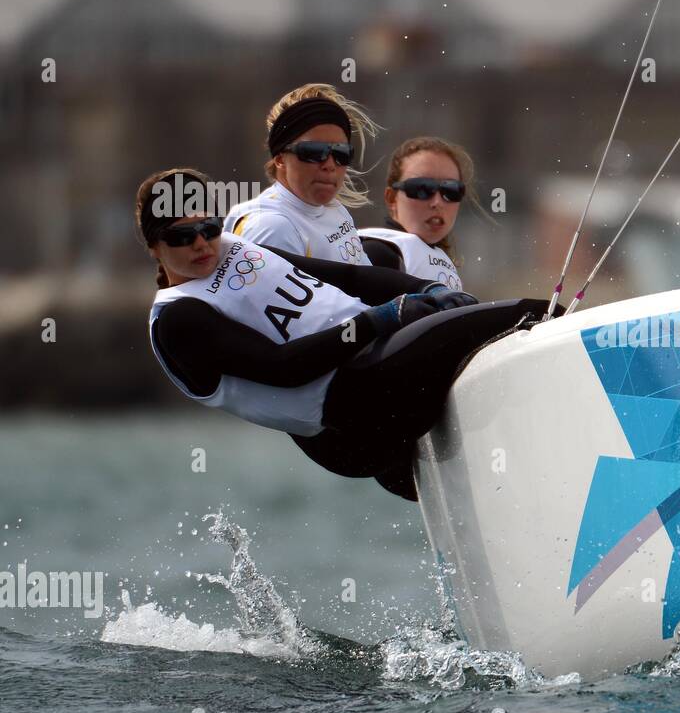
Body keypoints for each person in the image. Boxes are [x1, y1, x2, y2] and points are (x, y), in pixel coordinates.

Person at [141, 168, 547, 500]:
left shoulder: (233, 249)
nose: (201, 243)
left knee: (481, 447)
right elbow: (284, 368)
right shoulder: (179, 319)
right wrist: (379, 320)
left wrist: (425, 288)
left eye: (208, 227)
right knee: (532, 312)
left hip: (378, 373)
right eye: (181, 236)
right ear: (154, 245)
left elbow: (350, 276)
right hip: (350, 419)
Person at [225, 83, 378, 265]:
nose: (329, 165)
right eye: (313, 151)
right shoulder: (273, 228)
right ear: (280, 159)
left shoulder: (335, 209)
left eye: (341, 153)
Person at [359, 136, 480, 289]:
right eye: (421, 188)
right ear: (391, 198)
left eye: (451, 190)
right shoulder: (376, 254)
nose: (437, 202)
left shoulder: (443, 263)